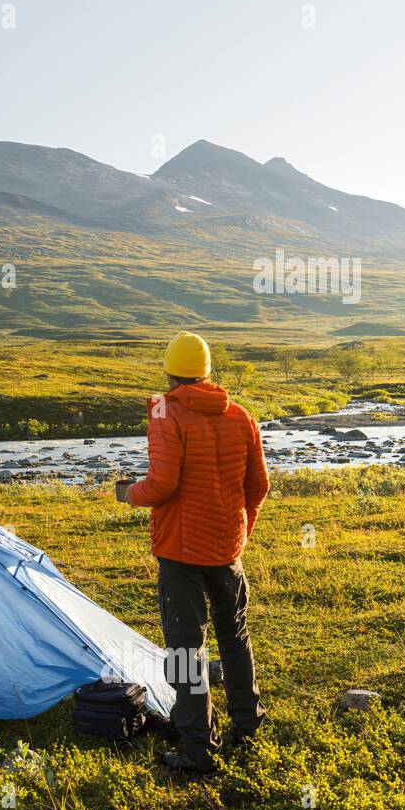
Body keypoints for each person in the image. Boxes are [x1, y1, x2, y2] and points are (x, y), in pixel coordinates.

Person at [115, 331, 269, 774]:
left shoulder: (167, 413)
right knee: (235, 638)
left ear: (170, 372)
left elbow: (163, 484)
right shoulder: (241, 416)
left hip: (182, 553)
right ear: (206, 371)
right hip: (226, 551)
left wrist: (129, 494)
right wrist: (240, 532)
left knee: (186, 651)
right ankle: (248, 727)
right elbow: (258, 487)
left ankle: (198, 751)